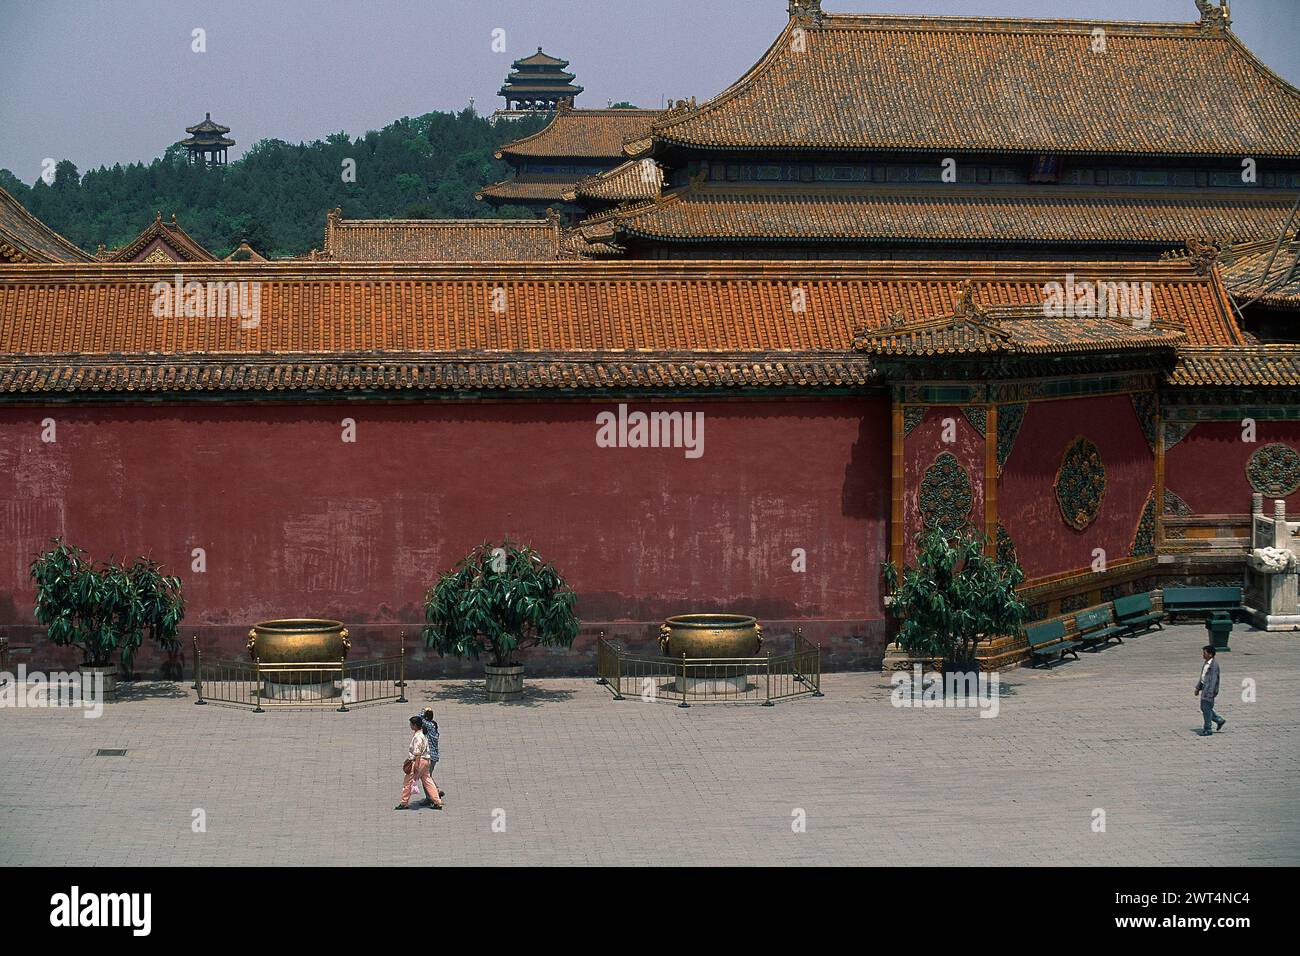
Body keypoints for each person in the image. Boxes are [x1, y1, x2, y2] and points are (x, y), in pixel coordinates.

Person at [395, 715, 443, 810]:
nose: (410, 726)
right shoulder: (423, 735)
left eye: (411, 724)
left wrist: (416, 766)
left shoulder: (418, 737)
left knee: (408, 782)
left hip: (419, 761)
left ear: (415, 725)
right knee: (428, 781)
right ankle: (437, 802)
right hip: (426, 761)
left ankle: (404, 802)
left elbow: (417, 753)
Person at [1195, 644, 1226, 737]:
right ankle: (1219, 720)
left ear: (1210, 654)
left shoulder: (1214, 666)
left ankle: (1208, 729)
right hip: (1204, 689)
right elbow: (1203, 677)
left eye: (1205, 653)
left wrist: (1210, 692)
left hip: (1209, 691)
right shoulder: (1206, 663)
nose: (1203, 655)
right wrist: (1198, 687)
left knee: (1206, 709)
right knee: (1205, 708)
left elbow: (1213, 680)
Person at [419, 708, 445, 806]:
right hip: (434, 756)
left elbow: (419, 718)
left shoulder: (429, 726)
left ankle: (430, 797)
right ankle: (436, 791)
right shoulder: (434, 727)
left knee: (425, 778)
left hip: (429, 756)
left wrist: (424, 710)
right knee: (427, 776)